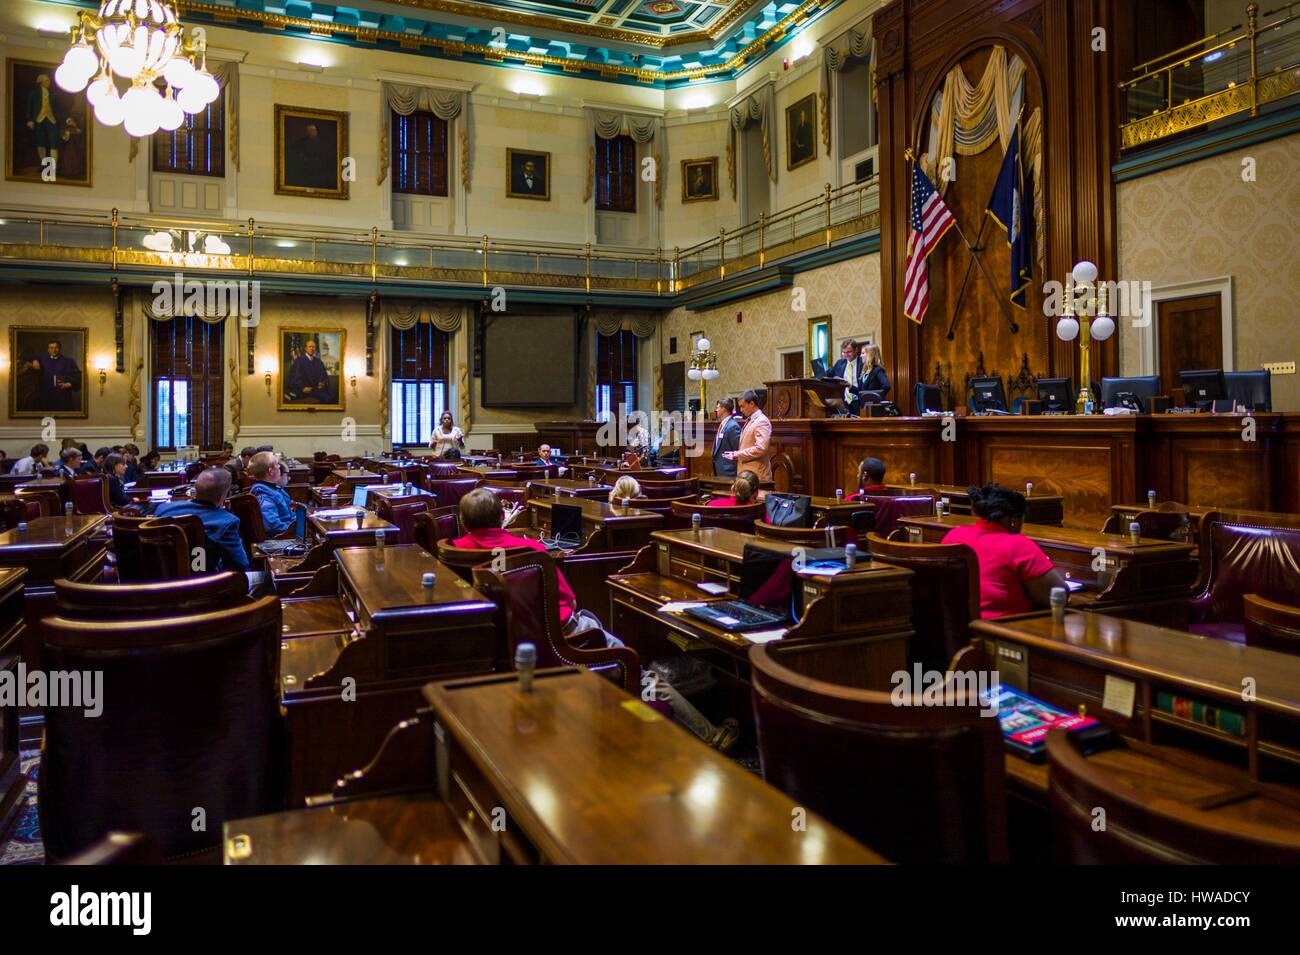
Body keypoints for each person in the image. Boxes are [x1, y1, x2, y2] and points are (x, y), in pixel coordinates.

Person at [451, 488, 737, 749]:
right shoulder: (530, 552)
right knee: (638, 668)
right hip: (561, 638)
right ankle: (710, 735)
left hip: (496, 646)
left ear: (463, 522)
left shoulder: (452, 550)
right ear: (503, 517)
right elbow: (570, 601)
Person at [941, 484, 1067, 619]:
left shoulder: (954, 535)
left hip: (955, 628)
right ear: (1013, 520)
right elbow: (1060, 594)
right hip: (1000, 631)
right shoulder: (1018, 544)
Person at [154, 468, 249, 573]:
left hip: (161, 581)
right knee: (263, 578)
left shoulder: (163, 509)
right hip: (202, 585)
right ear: (222, 496)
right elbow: (240, 565)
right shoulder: (226, 522)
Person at [723, 390, 773, 482]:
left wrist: (737, 454)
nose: (741, 410)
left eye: (743, 406)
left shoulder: (762, 421)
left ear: (752, 404)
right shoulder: (750, 419)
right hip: (747, 475)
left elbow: (761, 448)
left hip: (757, 476)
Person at [21, 338, 82, 413]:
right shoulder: (42, 359)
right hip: (45, 398)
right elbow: (28, 358)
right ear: (48, 350)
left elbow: (78, 377)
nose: (54, 350)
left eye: (56, 348)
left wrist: (68, 384)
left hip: (62, 397)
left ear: (60, 349)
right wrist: (35, 360)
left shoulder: (69, 361)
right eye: (51, 348)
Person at [248, 451, 295, 536]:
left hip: (289, 531)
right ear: (271, 471)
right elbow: (272, 525)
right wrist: (296, 529)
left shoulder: (272, 488)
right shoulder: (263, 493)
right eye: (277, 464)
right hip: (283, 538)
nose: (279, 466)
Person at [286, 339, 332, 403]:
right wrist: (302, 387)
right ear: (305, 348)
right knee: (327, 398)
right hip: (304, 390)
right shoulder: (299, 361)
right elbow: (295, 377)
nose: (312, 349)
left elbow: (324, 375)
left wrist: (322, 383)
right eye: (310, 347)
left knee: (331, 397)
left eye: (313, 347)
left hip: (316, 389)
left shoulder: (318, 362)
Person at [711, 397, 742, 477]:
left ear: (723, 409)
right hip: (719, 469)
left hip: (729, 471)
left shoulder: (732, 426)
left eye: (717, 407)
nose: (716, 410)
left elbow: (737, 449)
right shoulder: (723, 424)